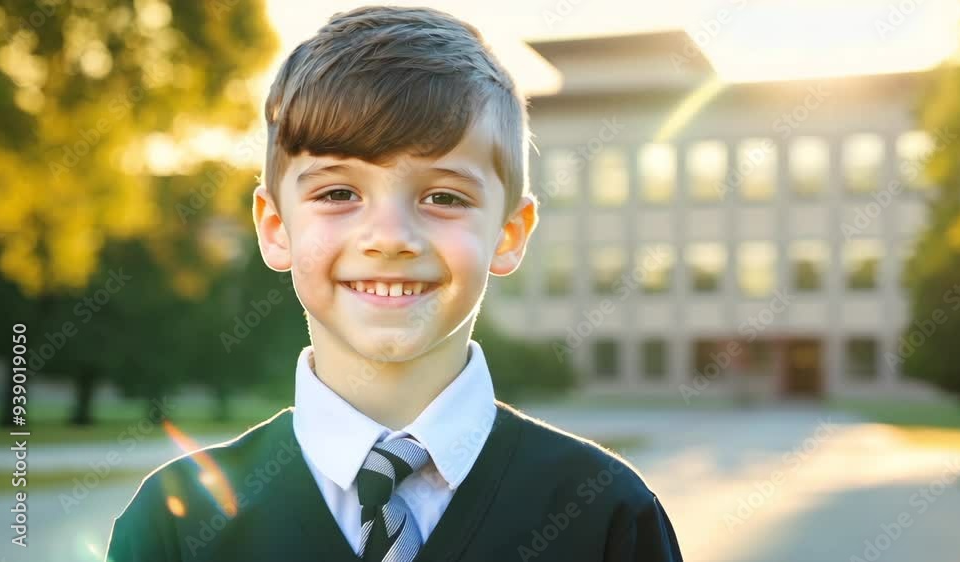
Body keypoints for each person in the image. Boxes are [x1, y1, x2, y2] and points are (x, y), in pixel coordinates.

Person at [105, 6, 682, 561]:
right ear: (276, 228)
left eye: (443, 197)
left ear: (508, 234)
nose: (390, 237)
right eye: (338, 193)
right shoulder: (172, 527)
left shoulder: (608, 519)